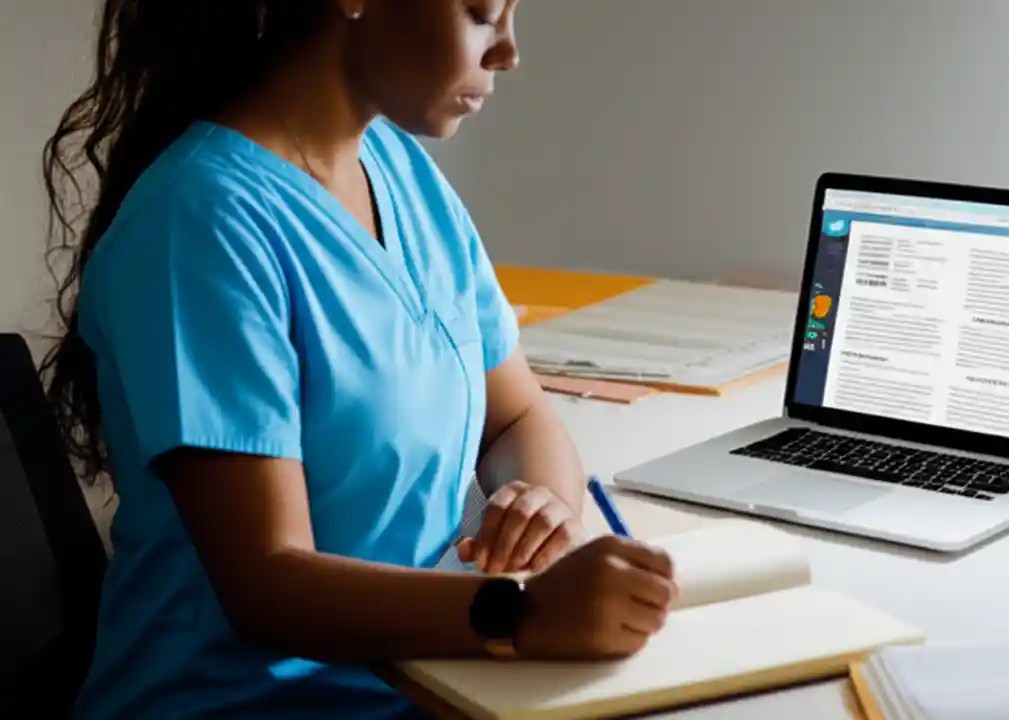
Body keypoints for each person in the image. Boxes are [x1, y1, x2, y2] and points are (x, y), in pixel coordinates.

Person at [41, 2, 679, 717]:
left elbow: (517, 415)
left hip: (422, 685)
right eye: (481, 14)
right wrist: (522, 613)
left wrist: (543, 509)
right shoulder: (199, 225)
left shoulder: (399, 168)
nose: (507, 53)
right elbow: (267, 588)